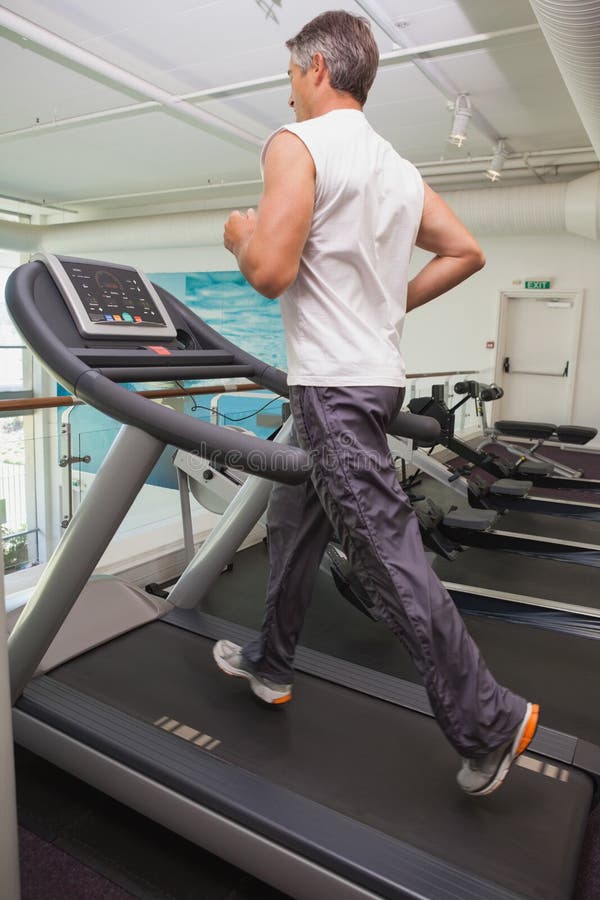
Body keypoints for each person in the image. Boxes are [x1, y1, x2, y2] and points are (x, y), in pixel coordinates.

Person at [214, 9, 538, 796]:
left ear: (317, 68)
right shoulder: (393, 165)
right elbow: (466, 251)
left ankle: (488, 721)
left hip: (329, 384)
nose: (288, 91)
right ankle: (270, 662)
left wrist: (239, 234)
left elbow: (270, 271)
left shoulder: (297, 146)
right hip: (371, 375)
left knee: (386, 553)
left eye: (292, 74)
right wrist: (386, 308)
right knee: (292, 524)